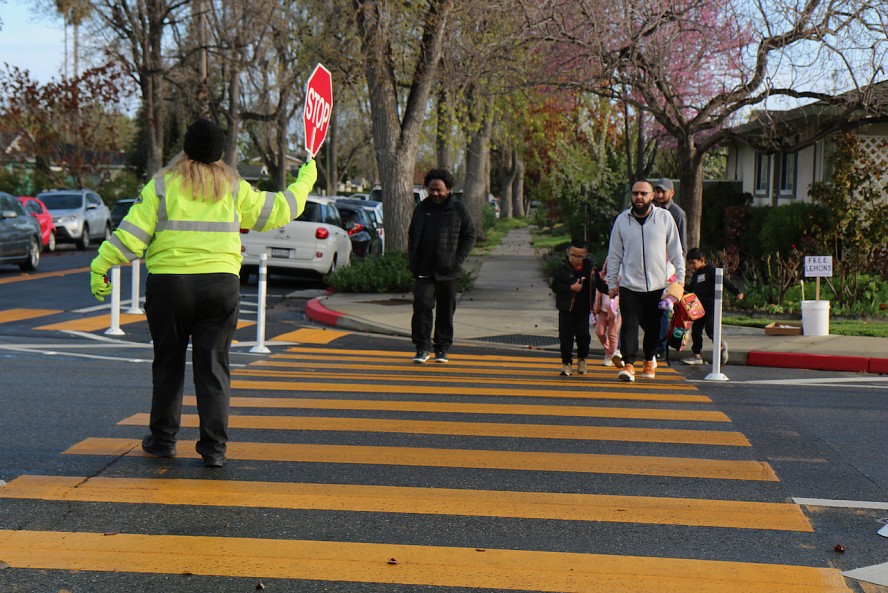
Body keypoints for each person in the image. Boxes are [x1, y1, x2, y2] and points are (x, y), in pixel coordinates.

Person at [88, 119, 317, 468]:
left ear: (185, 147)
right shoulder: (234, 186)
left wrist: (102, 264)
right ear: (220, 153)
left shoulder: (162, 184)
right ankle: (214, 449)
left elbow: (131, 234)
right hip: (220, 286)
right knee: (213, 367)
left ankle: (163, 441)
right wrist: (305, 180)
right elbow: (279, 210)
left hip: (170, 286)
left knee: (168, 364)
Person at [605, 179, 685, 381]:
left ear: (651, 197)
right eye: (635, 193)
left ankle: (649, 359)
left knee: (653, 326)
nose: (639, 197)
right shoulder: (622, 220)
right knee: (629, 324)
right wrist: (612, 283)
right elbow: (614, 255)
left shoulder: (664, 218)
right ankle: (629, 365)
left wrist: (681, 280)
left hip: (658, 285)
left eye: (643, 193)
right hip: (630, 284)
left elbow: (676, 251)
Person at [408, 168, 475, 364]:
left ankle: (442, 349)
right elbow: (412, 234)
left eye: (439, 190)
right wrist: (413, 259)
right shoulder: (421, 209)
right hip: (424, 269)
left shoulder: (458, 209)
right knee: (422, 307)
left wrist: (457, 260)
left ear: (449, 189)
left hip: (448, 272)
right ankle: (422, 348)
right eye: (431, 189)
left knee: (446, 310)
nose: (435, 193)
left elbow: (469, 236)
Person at [552, 238, 609, 376]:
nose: (576, 259)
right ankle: (566, 363)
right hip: (566, 308)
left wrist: (612, 291)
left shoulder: (590, 268)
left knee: (583, 336)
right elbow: (555, 286)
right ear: (568, 252)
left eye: (580, 256)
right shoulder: (562, 267)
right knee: (566, 337)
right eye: (573, 255)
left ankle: (582, 359)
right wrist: (570, 287)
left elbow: (599, 284)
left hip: (583, 309)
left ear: (586, 255)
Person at [682, 247, 744, 365]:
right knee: (696, 330)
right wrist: (679, 287)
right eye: (689, 263)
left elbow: (724, 281)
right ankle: (696, 355)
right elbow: (690, 289)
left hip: (712, 305)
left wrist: (737, 292)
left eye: (693, 263)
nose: (691, 266)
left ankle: (720, 346)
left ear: (702, 260)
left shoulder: (710, 270)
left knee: (710, 328)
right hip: (700, 307)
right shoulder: (696, 275)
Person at [652, 178, 686, 364]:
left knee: (665, 309)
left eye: (663, 191)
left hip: (670, 268)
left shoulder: (676, 213)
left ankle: (661, 348)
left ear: (672, 192)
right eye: (657, 191)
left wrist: (680, 273)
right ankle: (657, 346)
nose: (660, 195)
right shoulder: (653, 212)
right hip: (654, 267)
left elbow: (681, 245)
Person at [592, 260, 621, 367]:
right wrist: (595, 307)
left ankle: (611, 356)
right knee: (599, 332)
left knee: (612, 334)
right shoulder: (602, 278)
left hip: (616, 312)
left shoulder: (621, 280)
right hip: (603, 311)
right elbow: (597, 293)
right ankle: (610, 352)